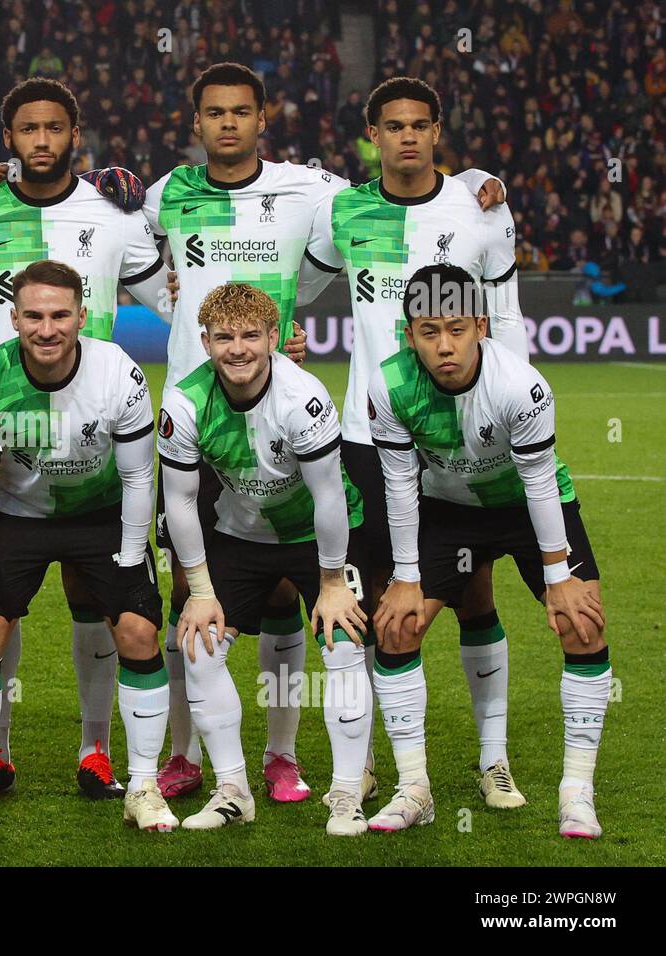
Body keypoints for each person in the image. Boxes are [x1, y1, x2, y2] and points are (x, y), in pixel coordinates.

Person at [143, 61, 505, 804]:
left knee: (288, 591)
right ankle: (182, 753)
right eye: (214, 113)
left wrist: (473, 178)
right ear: (197, 123)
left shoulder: (314, 191)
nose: (229, 124)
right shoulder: (167, 193)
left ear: (263, 117)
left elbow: (412, 186)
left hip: (278, 409)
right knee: (185, 588)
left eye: (242, 111)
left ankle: (281, 757)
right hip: (195, 415)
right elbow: (105, 217)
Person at [0, 79, 171, 799]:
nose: (41, 141)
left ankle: (95, 750)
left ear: (75, 135)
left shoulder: (116, 212)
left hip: (97, 443)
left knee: (95, 603)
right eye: (28, 128)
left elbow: (174, 301)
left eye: (54, 128)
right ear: (8, 137)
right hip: (2, 448)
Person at [307, 76, 530, 809]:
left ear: (437, 129)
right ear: (371, 133)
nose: (406, 136)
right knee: (375, 602)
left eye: (419, 124)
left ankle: (493, 762)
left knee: (474, 589)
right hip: (368, 436)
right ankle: (372, 759)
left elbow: (508, 318)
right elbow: (296, 283)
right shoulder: (341, 210)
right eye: (391, 125)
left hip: (463, 435)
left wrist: (511, 415)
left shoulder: (480, 207)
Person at [367, 264, 609, 838]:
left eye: (456, 328)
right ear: (409, 335)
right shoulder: (389, 385)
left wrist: (558, 573)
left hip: (528, 507)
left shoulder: (519, 386)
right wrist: (404, 575)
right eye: (428, 332)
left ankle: (577, 793)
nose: (444, 345)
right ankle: (414, 789)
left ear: (481, 325)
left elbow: (541, 483)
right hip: (449, 510)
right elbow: (399, 484)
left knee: (582, 625)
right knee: (397, 626)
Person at [0, 260, 172, 832]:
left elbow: (139, 478)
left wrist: (127, 558)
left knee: (139, 630)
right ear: (14, 318)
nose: (48, 329)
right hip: (15, 514)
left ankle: (137, 782)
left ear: (81, 315)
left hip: (99, 514)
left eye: (60, 315)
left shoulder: (117, 372)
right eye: (34, 316)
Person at [159, 282, 372, 835]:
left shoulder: (303, 397)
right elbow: (180, 501)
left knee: (344, 640)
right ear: (204, 341)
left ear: (274, 338)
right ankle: (233, 788)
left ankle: (348, 794)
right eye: (224, 337)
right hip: (241, 531)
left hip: (319, 537)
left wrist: (331, 581)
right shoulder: (183, 402)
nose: (238, 349)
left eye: (251, 335)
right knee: (197, 643)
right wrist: (202, 592)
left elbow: (329, 497)